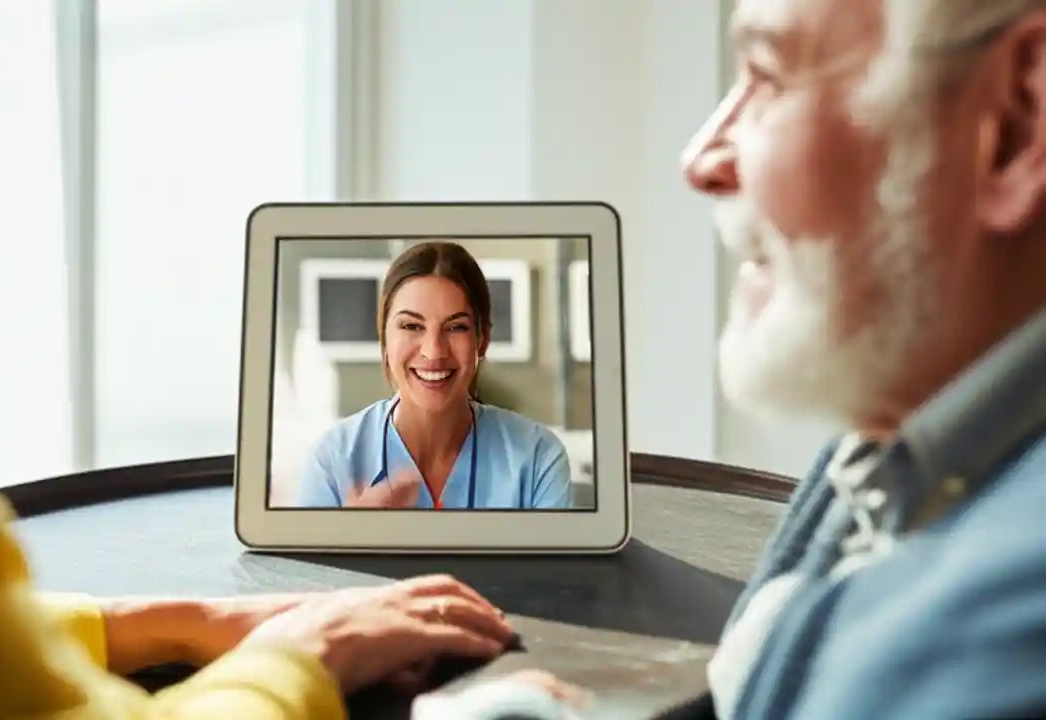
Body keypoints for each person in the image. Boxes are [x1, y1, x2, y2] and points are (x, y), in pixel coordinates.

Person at [0, 2, 528, 718]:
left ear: (483, 339)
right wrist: (302, 656)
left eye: (457, 327)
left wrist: (164, 620)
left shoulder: (531, 455)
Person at [447, 0, 1046, 717]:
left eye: (769, 74)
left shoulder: (986, 640)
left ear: (1015, 124)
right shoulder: (903, 437)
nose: (701, 157)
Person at [291, 241, 574, 510]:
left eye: (456, 327)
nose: (434, 351)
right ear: (384, 337)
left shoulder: (538, 458)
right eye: (411, 326)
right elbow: (297, 564)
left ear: (483, 338)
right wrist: (348, 540)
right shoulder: (331, 462)